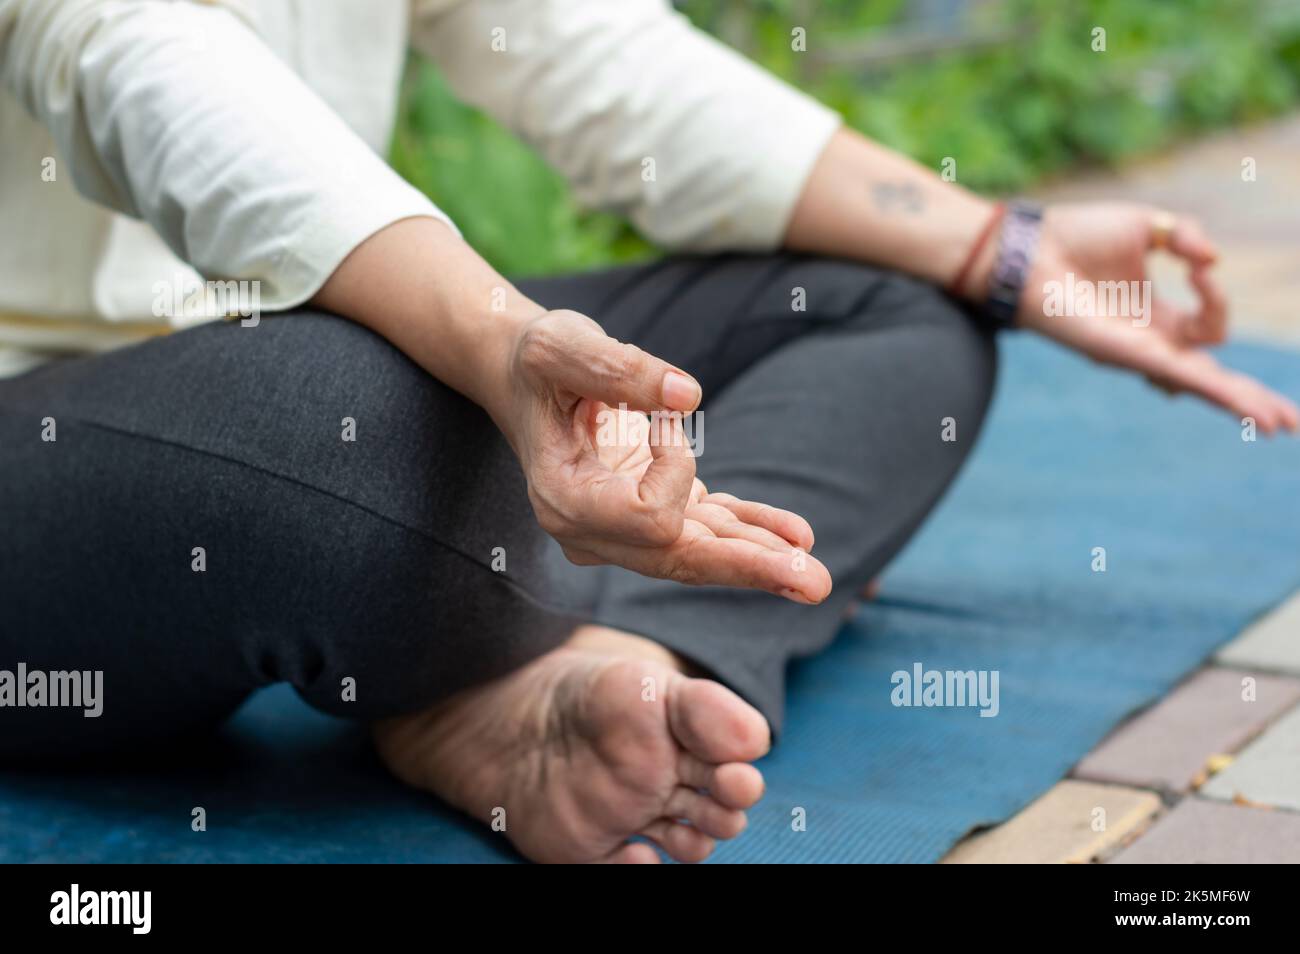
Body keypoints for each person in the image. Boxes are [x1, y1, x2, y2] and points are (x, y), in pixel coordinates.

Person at [0, 0, 1294, 864]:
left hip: (319, 347)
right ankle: (480, 611)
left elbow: (592, 49)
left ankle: (601, 660)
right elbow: (127, 47)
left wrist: (1000, 245)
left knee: (890, 305)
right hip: (55, 435)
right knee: (363, 414)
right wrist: (494, 337)